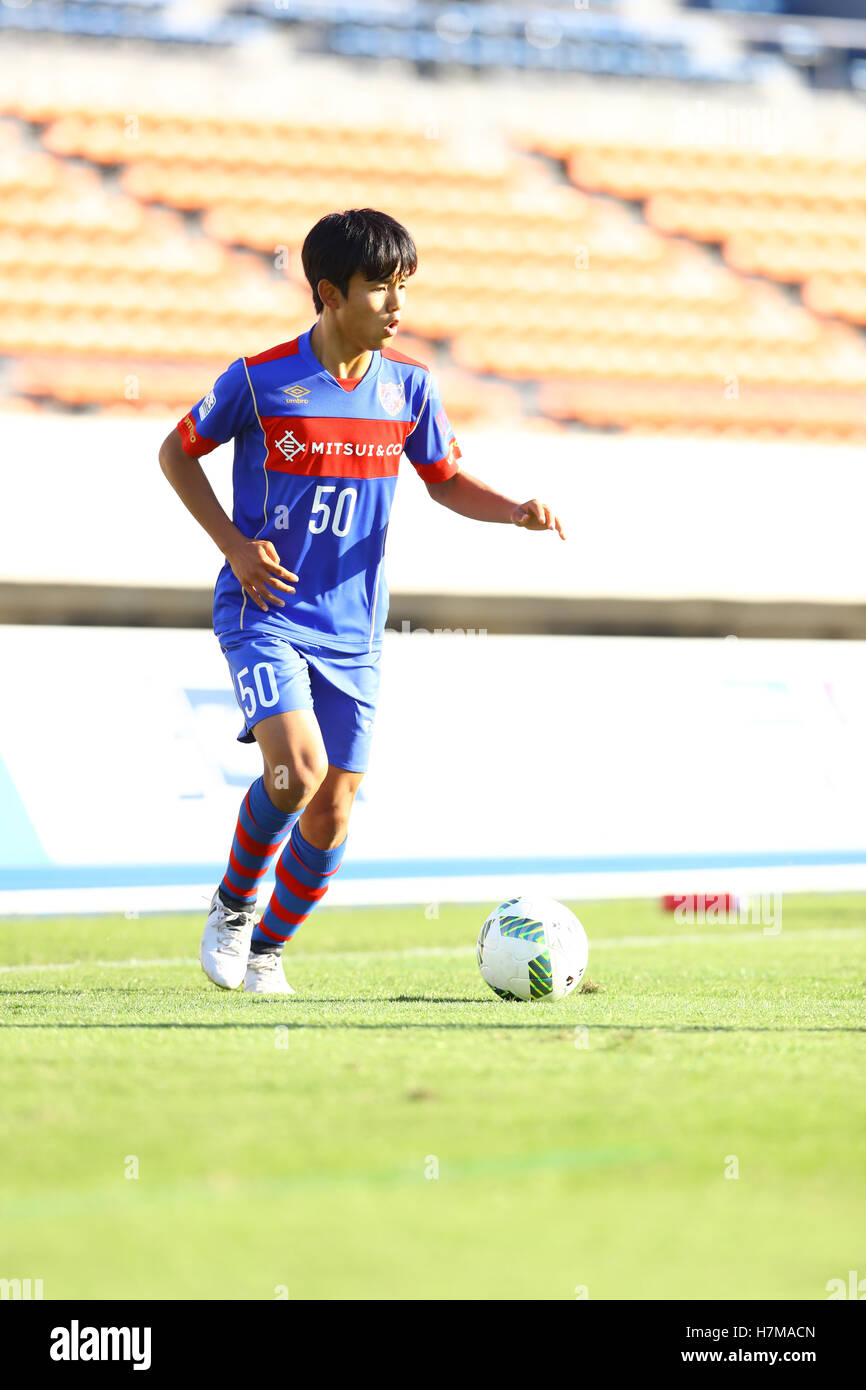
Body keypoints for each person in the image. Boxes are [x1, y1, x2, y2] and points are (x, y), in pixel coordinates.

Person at [159, 207, 565, 996]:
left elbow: (445, 479)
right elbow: (177, 451)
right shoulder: (260, 380)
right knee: (295, 773)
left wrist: (512, 507)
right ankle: (234, 905)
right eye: (380, 287)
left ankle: (269, 951)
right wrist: (235, 549)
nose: (397, 304)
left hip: (356, 631)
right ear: (329, 293)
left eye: (403, 286)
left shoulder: (410, 387)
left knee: (333, 810)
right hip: (265, 610)